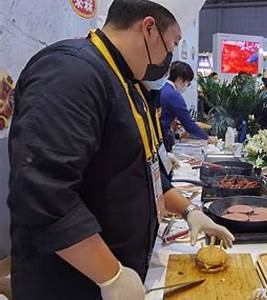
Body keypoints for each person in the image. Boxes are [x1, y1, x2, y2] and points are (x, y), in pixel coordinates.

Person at [7, 1, 234, 299]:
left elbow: (140, 168)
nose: (170, 56)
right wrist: (110, 275)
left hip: (118, 272)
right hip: (74, 284)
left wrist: (189, 210)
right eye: (173, 43)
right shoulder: (70, 72)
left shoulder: (127, 81)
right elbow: (43, 195)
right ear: (149, 28)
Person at [156, 61, 215, 147]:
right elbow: (188, 124)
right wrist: (207, 138)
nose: (186, 87)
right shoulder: (174, 95)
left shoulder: (160, 88)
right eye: (187, 83)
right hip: (163, 135)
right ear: (179, 79)